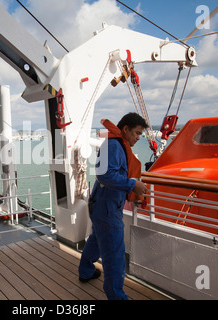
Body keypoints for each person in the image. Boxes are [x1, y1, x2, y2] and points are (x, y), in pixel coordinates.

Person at [78, 112, 148, 300]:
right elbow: (104, 175)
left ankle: (85, 271)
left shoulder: (116, 144)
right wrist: (133, 184)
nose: (137, 138)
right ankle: (116, 296)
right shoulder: (114, 146)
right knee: (115, 256)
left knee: (96, 240)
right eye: (136, 133)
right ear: (125, 129)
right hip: (107, 209)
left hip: (102, 205)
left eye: (140, 134)